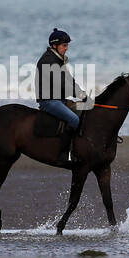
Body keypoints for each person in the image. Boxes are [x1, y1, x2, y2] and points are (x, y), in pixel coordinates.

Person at [36, 28, 86, 164]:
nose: (67, 48)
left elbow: (69, 80)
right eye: (64, 45)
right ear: (54, 46)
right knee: (74, 120)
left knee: (85, 112)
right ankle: (65, 154)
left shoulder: (58, 60)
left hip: (60, 99)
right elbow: (62, 83)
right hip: (49, 101)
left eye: (67, 45)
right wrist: (80, 95)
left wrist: (82, 94)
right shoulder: (48, 61)